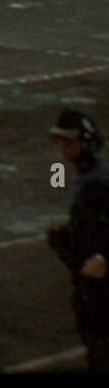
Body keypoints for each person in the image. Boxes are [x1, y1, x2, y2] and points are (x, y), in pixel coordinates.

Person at [46, 109, 109, 373]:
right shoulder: (86, 177)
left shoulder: (100, 183)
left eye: (69, 141)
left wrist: (103, 257)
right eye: (60, 140)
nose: (63, 146)